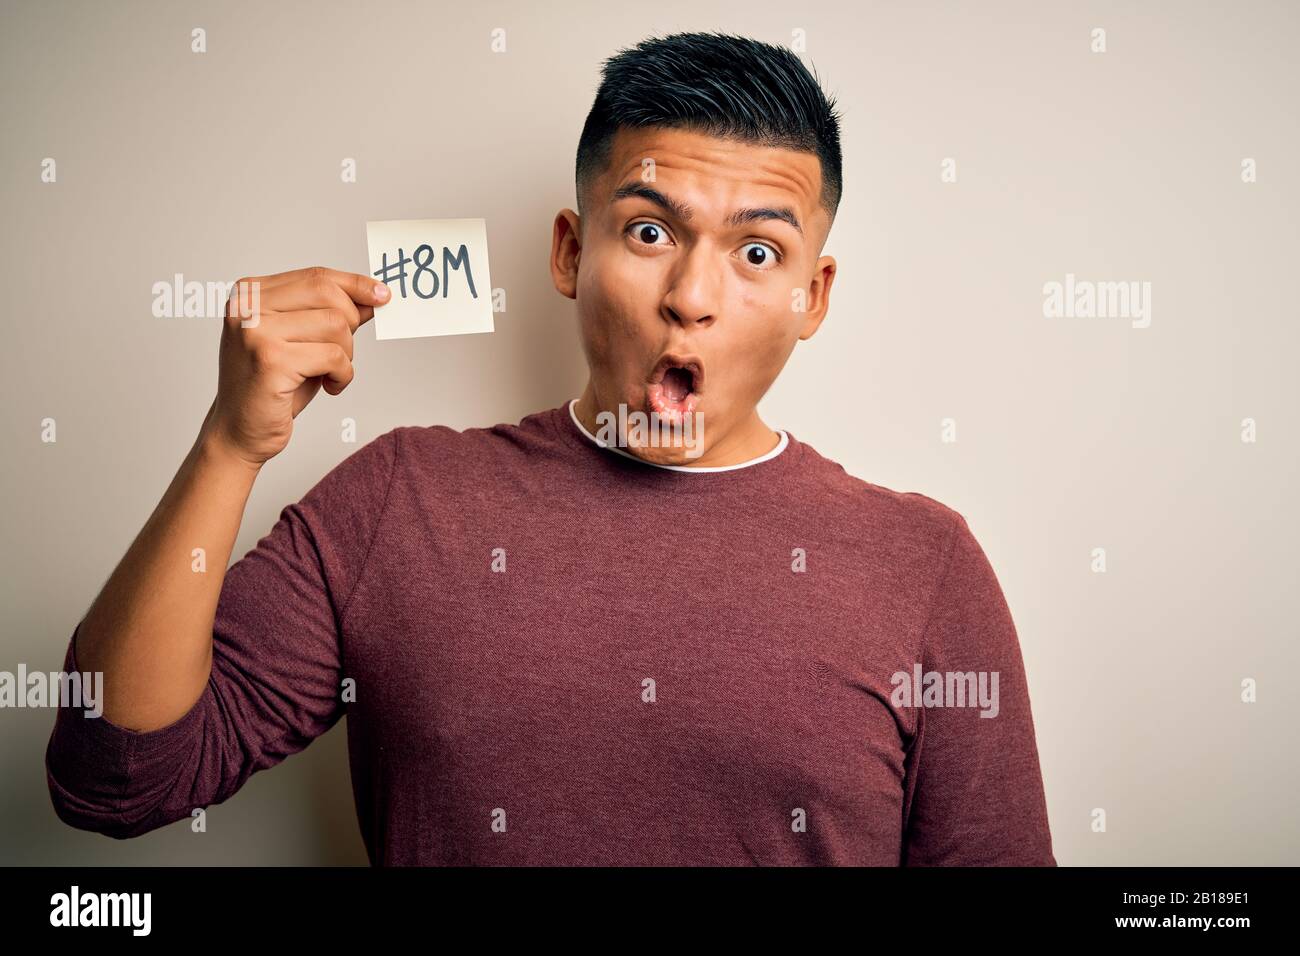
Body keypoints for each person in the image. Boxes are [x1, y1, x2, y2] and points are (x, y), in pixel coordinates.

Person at [45, 31, 1055, 865]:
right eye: (650, 231)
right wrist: (231, 441)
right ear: (571, 252)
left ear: (812, 297)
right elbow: (114, 776)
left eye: (757, 252)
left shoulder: (925, 566)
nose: (692, 298)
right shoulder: (400, 499)